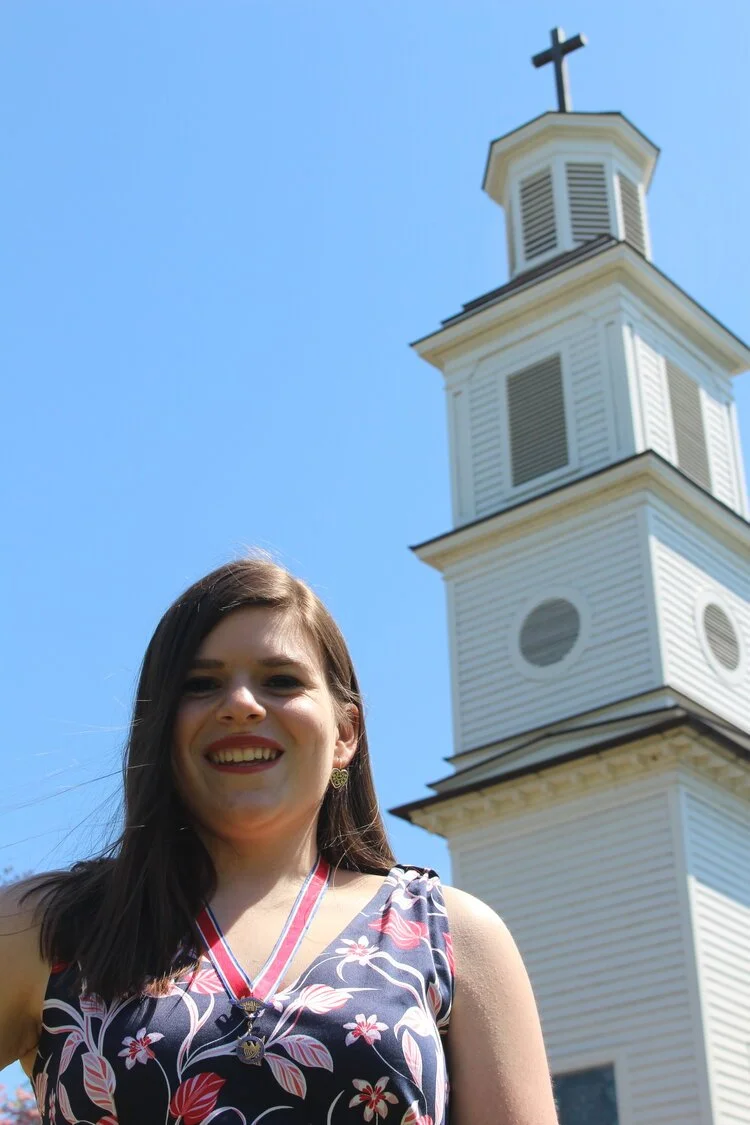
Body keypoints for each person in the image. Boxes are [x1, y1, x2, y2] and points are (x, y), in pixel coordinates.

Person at [0, 558, 559, 1125]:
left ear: (345, 734)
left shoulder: (453, 935)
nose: (240, 703)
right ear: (159, 725)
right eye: (200, 684)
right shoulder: (47, 926)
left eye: (281, 680)